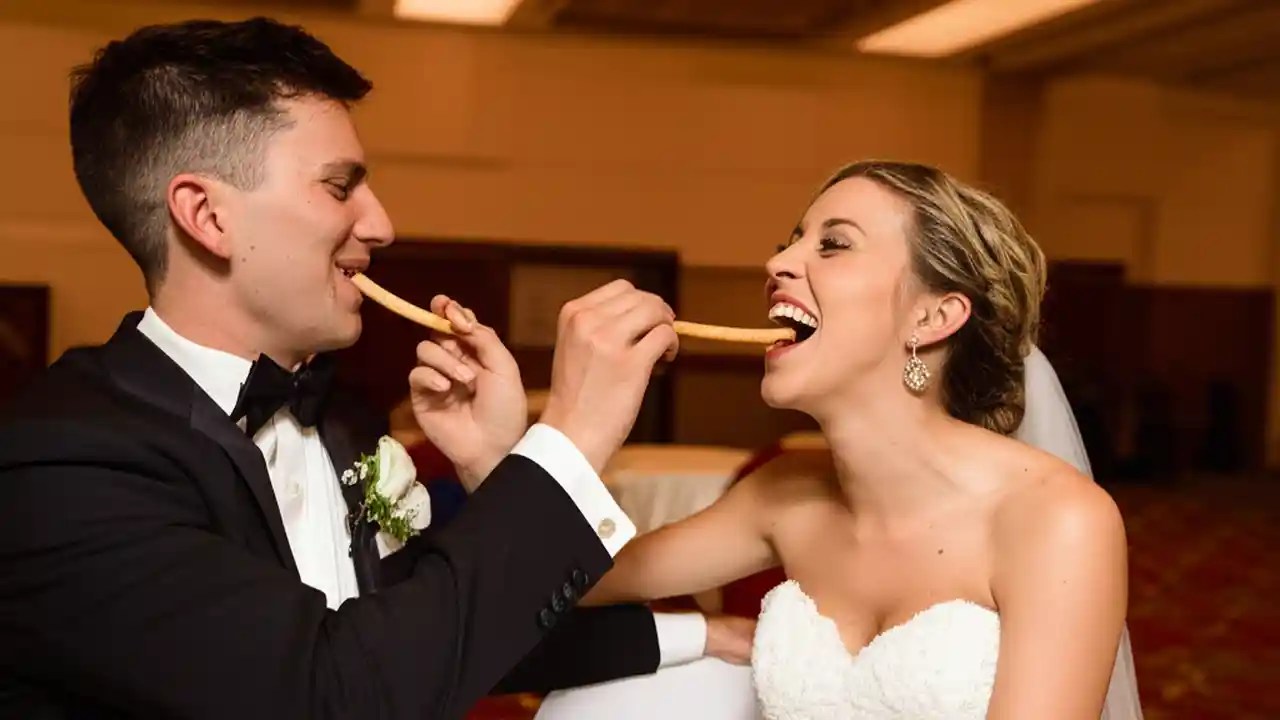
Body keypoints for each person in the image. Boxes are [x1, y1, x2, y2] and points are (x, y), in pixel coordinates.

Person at [0, 17, 747, 719]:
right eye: (339, 185)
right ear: (208, 216)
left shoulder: (343, 416)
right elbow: (333, 691)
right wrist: (571, 437)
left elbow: (420, 636)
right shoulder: (60, 465)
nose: (382, 225)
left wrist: (689, 637)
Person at [570, 160, 1134, 719]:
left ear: (934, 316)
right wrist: (530, 442)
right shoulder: (781, 494)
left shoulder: (1056, 519)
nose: (777, 263)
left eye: (833, 244)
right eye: (791, 242)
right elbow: (561, 582)